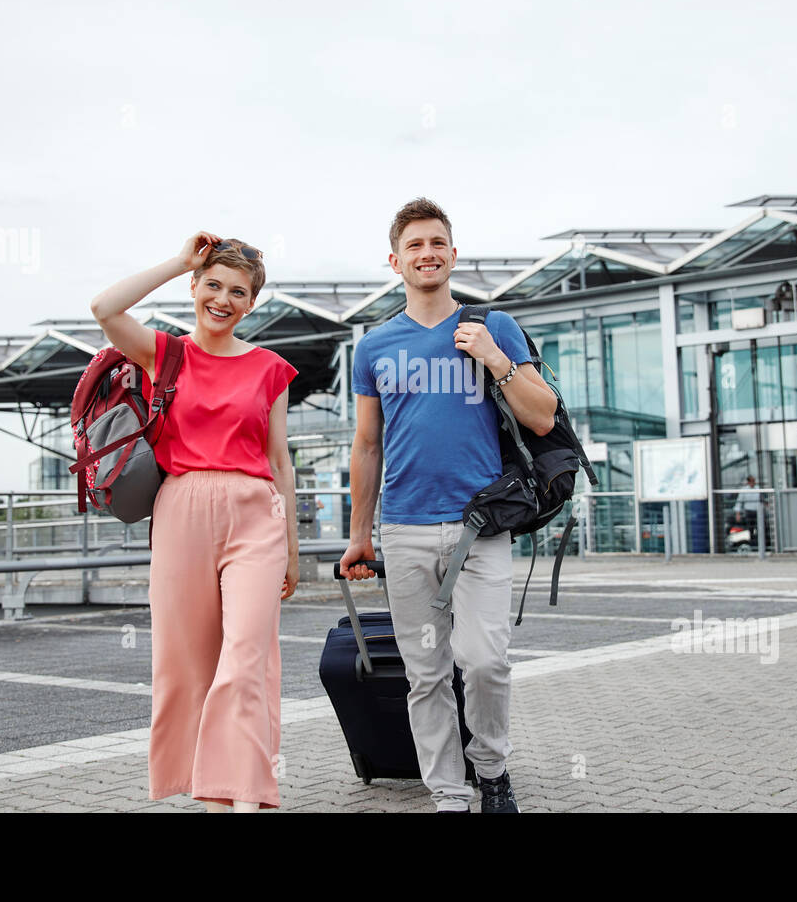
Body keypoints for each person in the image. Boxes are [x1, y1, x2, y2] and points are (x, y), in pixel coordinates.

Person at [340, 198, 557, 813]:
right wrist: (361, 534)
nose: (427, 253)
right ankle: (449, 791)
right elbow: (367, 444)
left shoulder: (495, 327)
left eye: (437, 242)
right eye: (414, 245)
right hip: (404, 526)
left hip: (480, 527)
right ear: (395, 260)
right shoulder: (374, 346)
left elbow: (542, 418)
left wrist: (493, 357)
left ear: (453, 254)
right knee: (425, 673)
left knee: (485, 660)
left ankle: (491, 769)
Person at [90, 231, 299, 812]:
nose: (223, 299)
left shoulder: (269, 368)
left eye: (238, 291)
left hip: (256, 512)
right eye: (213, 285)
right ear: (195, 287)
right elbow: (105, 308)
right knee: (185, 664)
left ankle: (246, 792)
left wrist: (293, 549)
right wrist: (182, 258)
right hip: (181, 510)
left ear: (251, 303)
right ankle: (214, 795)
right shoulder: (165, 354)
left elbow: (281, 460)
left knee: (247, 656)